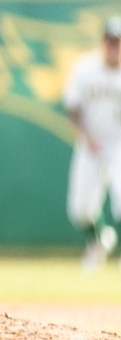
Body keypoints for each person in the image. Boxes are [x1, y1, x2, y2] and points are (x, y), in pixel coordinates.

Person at [65, 15, 121, 271]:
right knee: (79, 211)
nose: (114, 46)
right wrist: (85, 136)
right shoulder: (85, 68)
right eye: (110, 40)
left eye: (118, 41)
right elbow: (72, 106)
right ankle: (100, 239)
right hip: (92, 141)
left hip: (119, 142)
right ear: (103, 41)